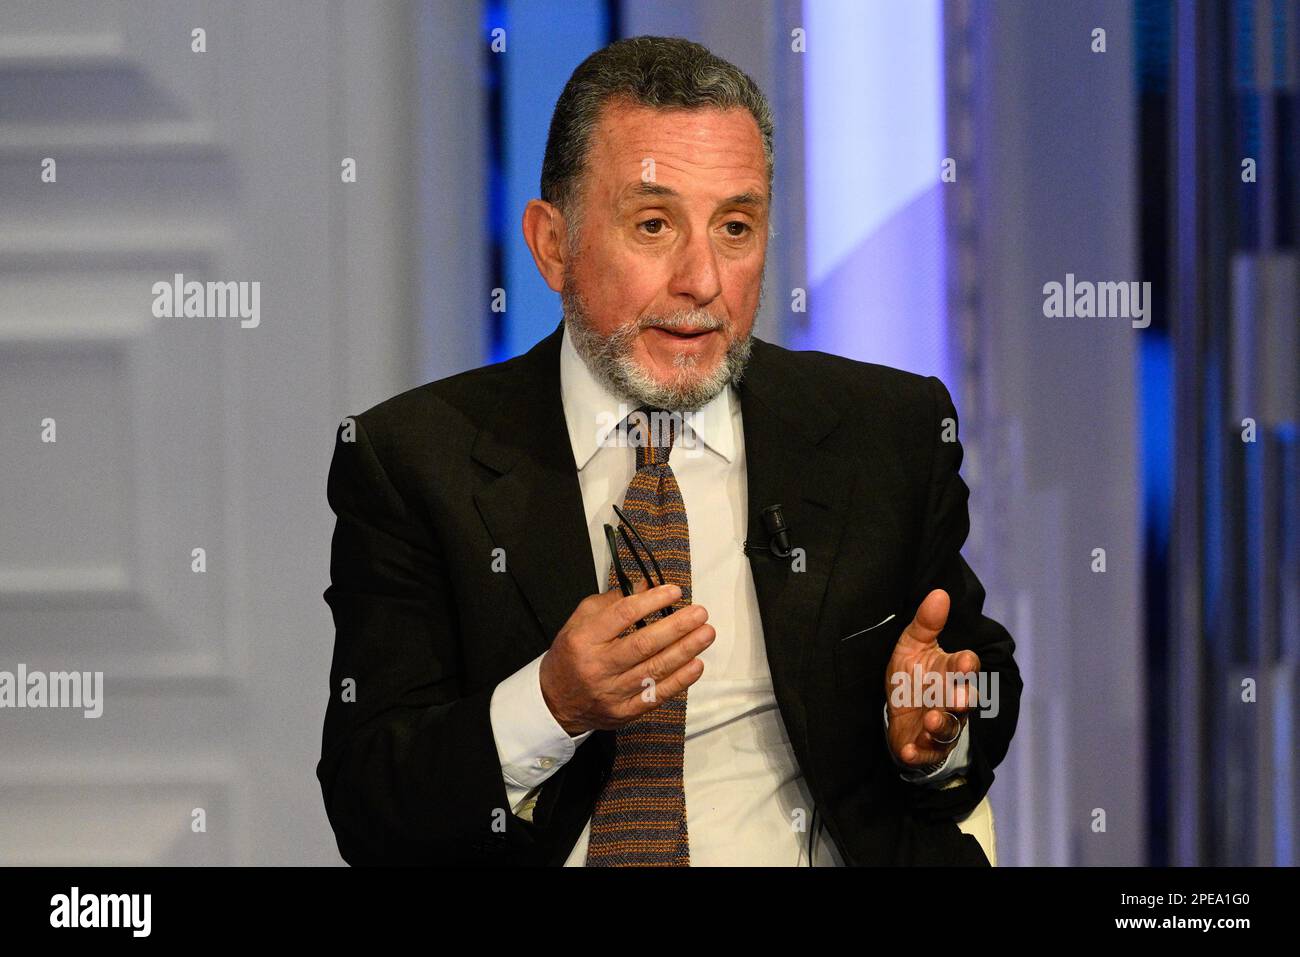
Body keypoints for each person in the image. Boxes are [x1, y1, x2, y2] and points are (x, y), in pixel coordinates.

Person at [316, 35, 1021, 866]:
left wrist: (935, 728)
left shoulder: (883, 430)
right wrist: (551, 701)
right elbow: (370, 797)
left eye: (735, 227)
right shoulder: (414, 461)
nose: (702, 280)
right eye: (653, 224)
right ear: (552, 244)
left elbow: (976, 673)